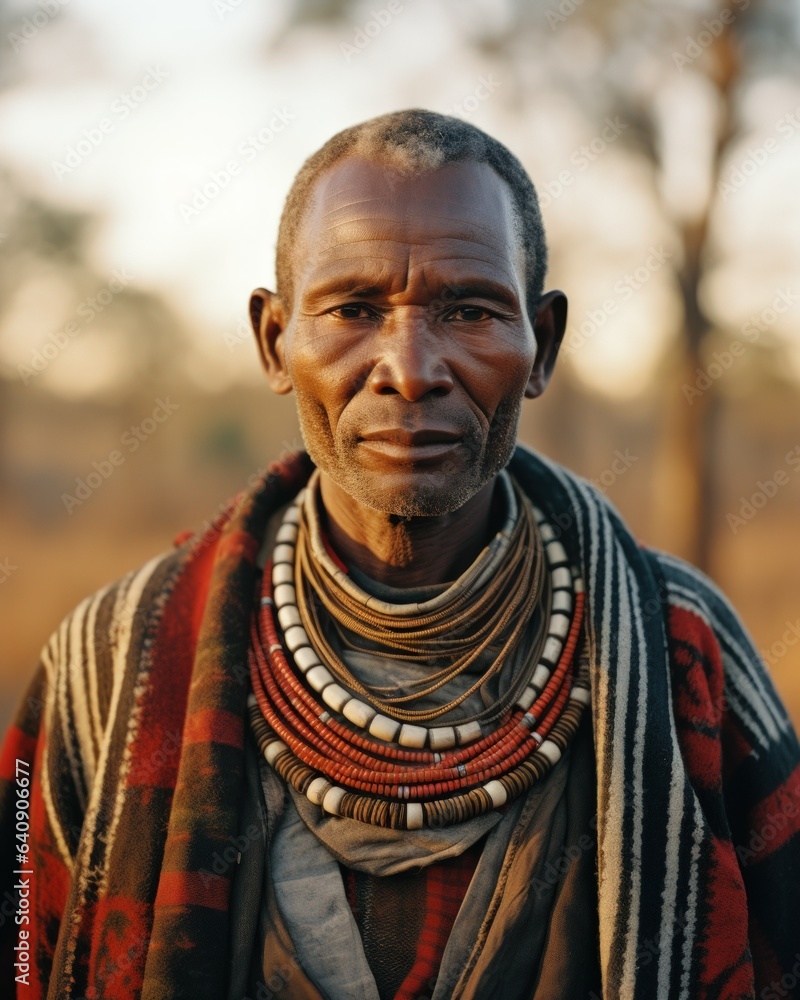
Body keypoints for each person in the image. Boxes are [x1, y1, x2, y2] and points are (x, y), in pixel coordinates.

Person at [2, 109, 799, 1000]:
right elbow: (24, 957)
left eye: (470, 310)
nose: (410, 367)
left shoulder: (683, 646)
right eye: (353, 309)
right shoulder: (109, 665)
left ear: (543, 347)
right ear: (275, 342)